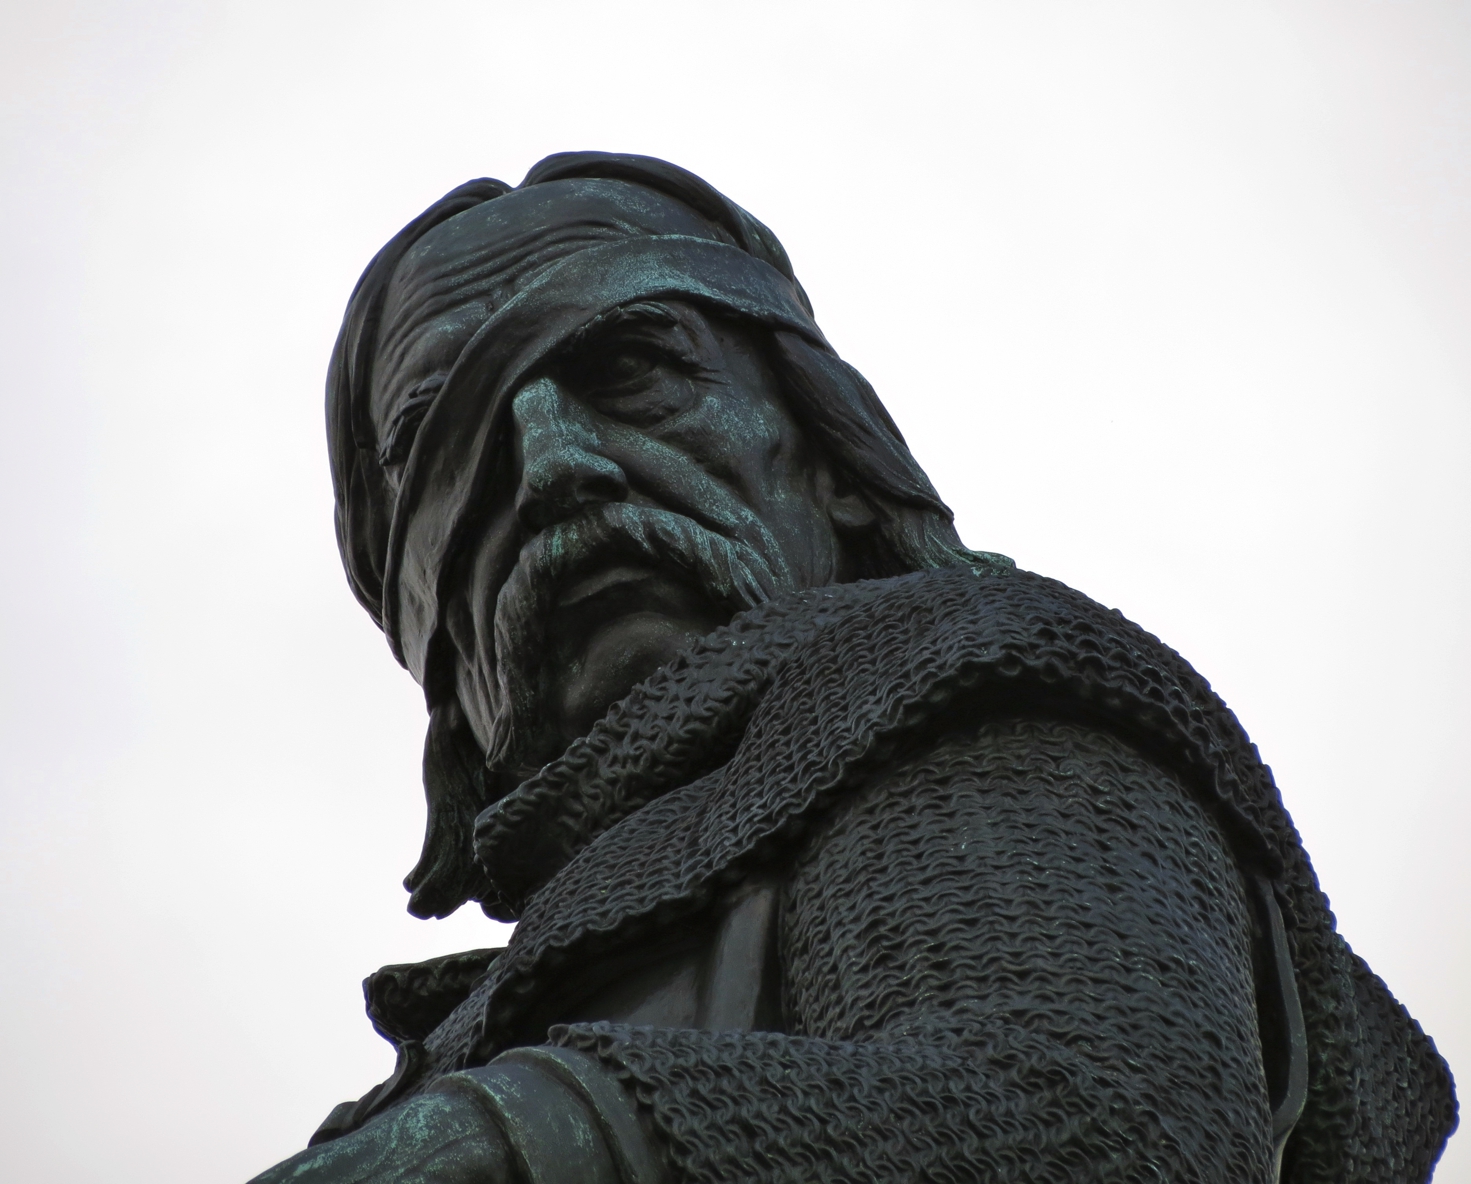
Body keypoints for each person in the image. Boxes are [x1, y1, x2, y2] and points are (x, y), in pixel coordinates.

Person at [249, 153, 1455, 1183]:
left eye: (634, 370)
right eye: (451, 450)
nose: (558, 465)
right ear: (429, 637)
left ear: (828, 456)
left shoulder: (963, 690)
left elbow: (1094, 1119)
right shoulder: (445, 1045)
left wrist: (517, 1140)